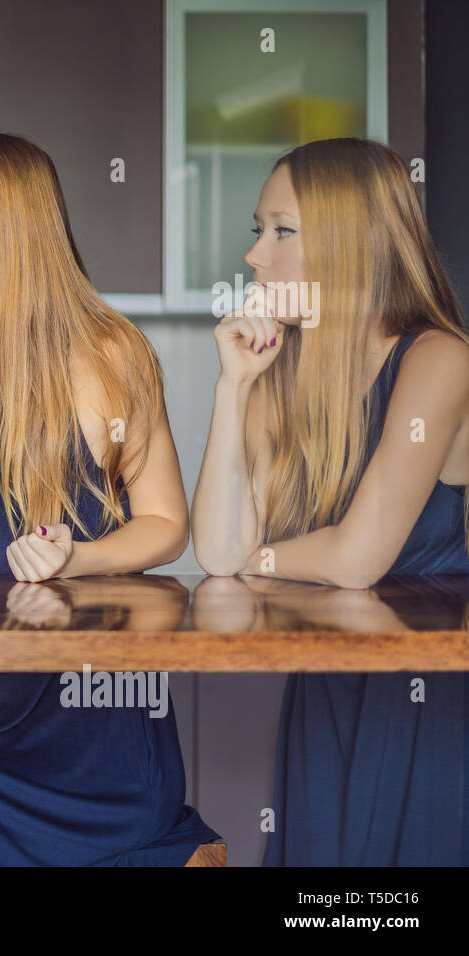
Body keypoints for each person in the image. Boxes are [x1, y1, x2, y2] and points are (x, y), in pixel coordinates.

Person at [0, 133, 219, 866]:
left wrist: (78, 559)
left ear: (4, 239)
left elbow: (166, 524)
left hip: (98, 731)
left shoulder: (113, 357)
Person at [191, 137, 469, 865]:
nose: (255, 255)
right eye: (259, 230)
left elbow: (355, 559)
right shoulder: (286, 369)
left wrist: (261, 558)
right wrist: (234, 387)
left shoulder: (439, 359)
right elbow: (218, 552)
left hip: (427, 697)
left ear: (350, 241)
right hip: (325, 677)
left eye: (281, 231)